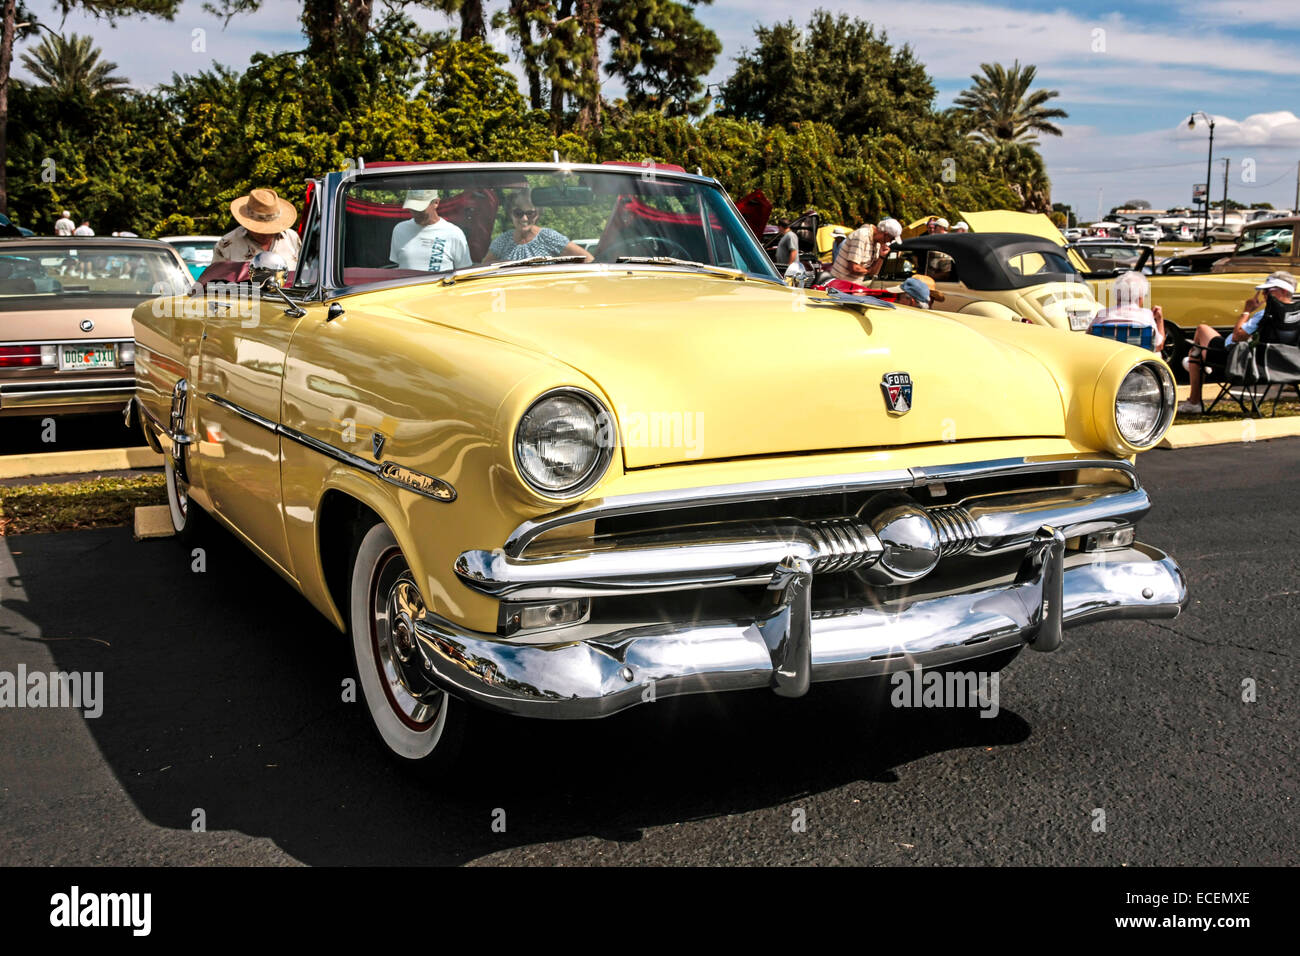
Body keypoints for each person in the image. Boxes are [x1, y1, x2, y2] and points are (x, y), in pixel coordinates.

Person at [1179, 271, 1297, 414]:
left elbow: (1237, 337)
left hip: (1241, 361)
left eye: (1267, 291)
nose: (1264, 295)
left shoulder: (1266, 314)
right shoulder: (1297, 314)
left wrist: (1247, 311)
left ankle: (1194, 398)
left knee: (1201, 330)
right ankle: (1196, 360)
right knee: (1197, 351)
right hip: (1284, 364)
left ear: (1284, 291)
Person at [483, 193, 593, 263]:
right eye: (518, 213)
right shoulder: (502, 241)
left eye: (530, 213)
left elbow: (587, 259)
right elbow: (483, 269)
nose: (524, 218)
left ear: (538, 214)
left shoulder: (548, 237)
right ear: (510, 214)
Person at [212, 187, 302, 269]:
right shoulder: (226, 246)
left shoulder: (292, 238)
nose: (265, 234)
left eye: (270, 229)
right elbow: (214, 281)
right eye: (258, 229)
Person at [389, 189, 472, 272]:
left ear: (436, 203)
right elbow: (399, 264)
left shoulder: (454, 233)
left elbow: (464, 272)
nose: (415, 213)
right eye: (412, 208)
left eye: (420, 208)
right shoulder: (400, 229)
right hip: (404, 285)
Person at [1089, 271, 1165, 350]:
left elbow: (1088, 339)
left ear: (1116, 295)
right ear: (1140, 297)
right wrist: (1159, 320)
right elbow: (1159, 346)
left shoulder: (1102, 314)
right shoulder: (1147, 315)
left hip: (1108, 359)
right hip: (1136, 360)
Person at [828, 217, 902, 286]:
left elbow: (874, 272)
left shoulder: (877, 244)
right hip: (839, 284)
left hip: (853, 286)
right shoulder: (862, 235)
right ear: (886, 234)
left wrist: (881, 256)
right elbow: (854, 268)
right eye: (891, 239)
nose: (890, 242)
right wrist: (869, 271)